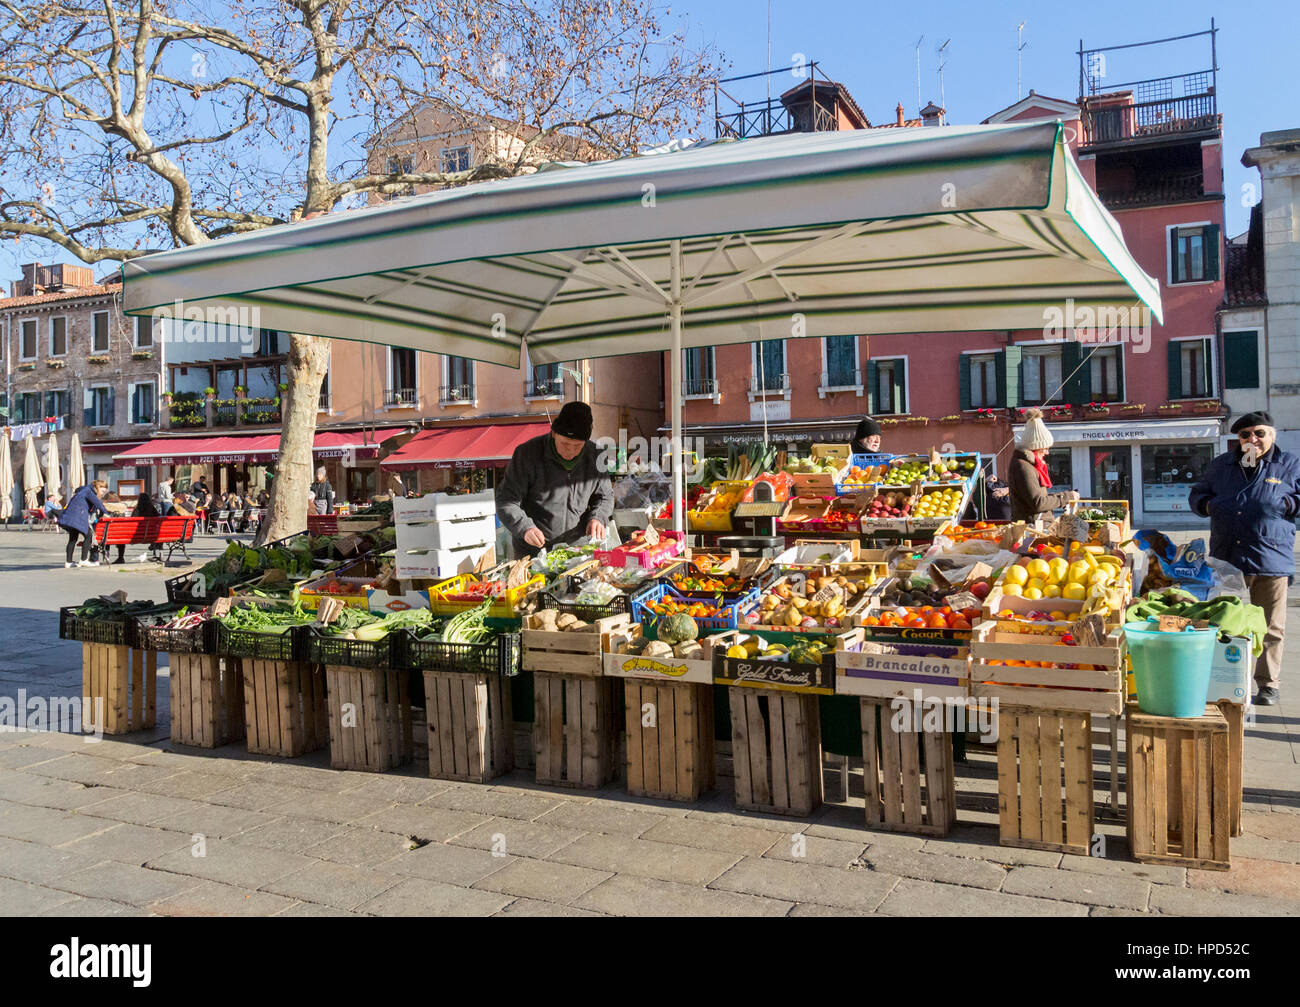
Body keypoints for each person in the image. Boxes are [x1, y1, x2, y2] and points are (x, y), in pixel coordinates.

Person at [1189, 411, 1300, 706]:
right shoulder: (1222, 465)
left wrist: (1288, 503)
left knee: (1271, 627)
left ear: (1272, 435)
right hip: (1228, 557)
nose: (1253, 439)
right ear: (1238, 439)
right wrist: (1208, 505)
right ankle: (1225, 678)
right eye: (1245, 435)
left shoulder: (1288, 464)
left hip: (1271, 557)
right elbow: (1197, 494)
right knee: (1225, 622)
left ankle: (1267, 684)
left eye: (1259, 433)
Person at [497, 402, 613, 557]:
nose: (570, 450)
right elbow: (506, 501)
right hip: (534, 551)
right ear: (553, 433)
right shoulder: (526, 454)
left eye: (577, 445)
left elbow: (605, 496)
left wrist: (598, 518)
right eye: (565, 443)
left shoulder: (596, 456)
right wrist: (524, 527)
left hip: (578, 549)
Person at [1007, 408, 1080, 521]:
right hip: (1032, 528)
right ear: (1035, 447)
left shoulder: (1029, 465)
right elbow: (1038, 503)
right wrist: (1067, 497)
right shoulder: (1023, 467)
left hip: (1036, 524)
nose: (1047, 452)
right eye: (1045, 448)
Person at [58, 480, 108, 568]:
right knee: (88, 535)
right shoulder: (89, 491)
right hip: (77, 516)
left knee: (73, 538)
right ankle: (83, 560)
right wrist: (106, 513)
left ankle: (68, 562)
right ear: (98, 487)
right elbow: (98, 503)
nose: (103, 493)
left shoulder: (84, 490)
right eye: (103, 491)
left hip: (70, 516)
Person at [116, 492, 159, 564]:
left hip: (136, 536)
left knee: (121, 536)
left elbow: (131, 522)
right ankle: (157, 555)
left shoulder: (137, 510)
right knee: (159, 534)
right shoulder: (153, 510)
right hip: (151, 536)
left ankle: (121, 558)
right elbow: (158, 518)